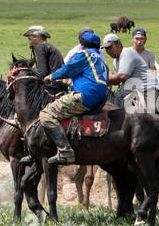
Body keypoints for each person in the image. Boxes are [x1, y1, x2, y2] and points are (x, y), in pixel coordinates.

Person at [30, 31, 110, 165]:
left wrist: (50, 77)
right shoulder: (101, 59)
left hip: (85, 96)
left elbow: (67, 69)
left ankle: (65, 151)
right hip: (100, 97)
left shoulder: (84, 55)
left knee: (46, 115)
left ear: (82, 44)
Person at [109, 30, 155, 112]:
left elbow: (153, 72)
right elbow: (119, 76)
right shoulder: (122, 55)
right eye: (136, 39)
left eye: (141, 39)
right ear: (132, 39)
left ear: (145, 40)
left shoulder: (150, 55)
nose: (139, 42)